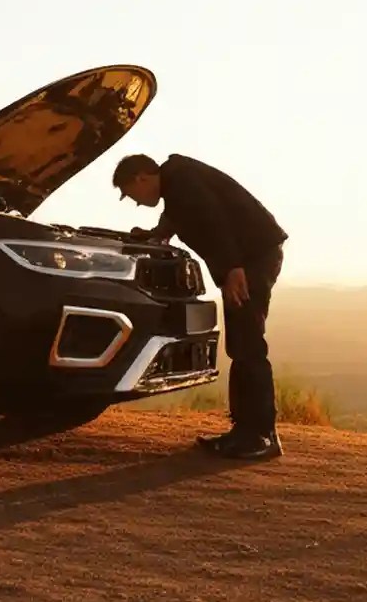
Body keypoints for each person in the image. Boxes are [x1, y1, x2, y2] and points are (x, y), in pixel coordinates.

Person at [113, 153, 288, 460]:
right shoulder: (178, 182)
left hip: (250, 261)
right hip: (250, 258)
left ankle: (258, 435)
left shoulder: (181, 180)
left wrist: (233, 268)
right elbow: (181, 214)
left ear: (141, 177)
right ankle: (251, 432)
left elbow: (212, 219)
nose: (137, 202)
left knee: (247, 343)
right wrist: (157, 234)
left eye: (131, 195)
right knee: (242, 343)